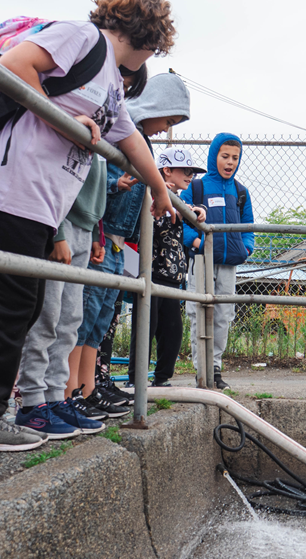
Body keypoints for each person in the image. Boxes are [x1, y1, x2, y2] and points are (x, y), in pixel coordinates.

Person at [0, 0, 177, 453]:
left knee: (25, 306)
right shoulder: (81, 37)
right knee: (6, 306)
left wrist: (159, 188)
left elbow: (130, 139)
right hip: (8, 189)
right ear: (148, 37)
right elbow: (15, 64)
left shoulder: (112, 82)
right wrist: (62, 119)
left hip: (38, 202)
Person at [13, 66, 148, 439]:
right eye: (120, 83)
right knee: (48, 315)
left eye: (127, 87)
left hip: (87, 226)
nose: (121, 91)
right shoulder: (69, 114)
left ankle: (58, 397)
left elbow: (94, 191)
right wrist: (55, 231)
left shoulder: (104, 128)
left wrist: (99, 232)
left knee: (71, 316)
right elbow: (50, 175)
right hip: (62, 222)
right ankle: (32, 402)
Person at [66, 72, 191, 412]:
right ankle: (69, 393)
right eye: (167, 119)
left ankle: (89, 389)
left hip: (121, 242)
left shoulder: (140, 140)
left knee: (99, 319)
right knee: (82, 315)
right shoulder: (117, 132)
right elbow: (93, 174)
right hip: (101, 234)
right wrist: (115, 185)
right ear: (153, 105)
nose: (166, 128)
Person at [127, 147, 206, 387]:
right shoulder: (150, 192)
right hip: (151, 273)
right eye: (185, 170)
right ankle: (135, 378)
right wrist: (165, 198)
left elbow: (187, 212)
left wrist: (197, 211)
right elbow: (151, 219)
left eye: (192, 171)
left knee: (172, 330)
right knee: (144, 329)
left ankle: (162, 377)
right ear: (167, 170)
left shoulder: (179, 199)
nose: (190, 175)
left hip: (173, 276)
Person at [181, 134, 253, 391]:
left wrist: (246, 248)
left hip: (229, 263)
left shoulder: (241, 191)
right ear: (214, 156)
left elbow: (248, 226)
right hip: (201, 261)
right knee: (198, 312)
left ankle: (215, 368)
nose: (230, 162)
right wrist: (196, 242)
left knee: (223, 315)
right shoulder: (196, 188)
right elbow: (184, 221)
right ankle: (202, 368)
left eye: (235, 157)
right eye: (225, 156)